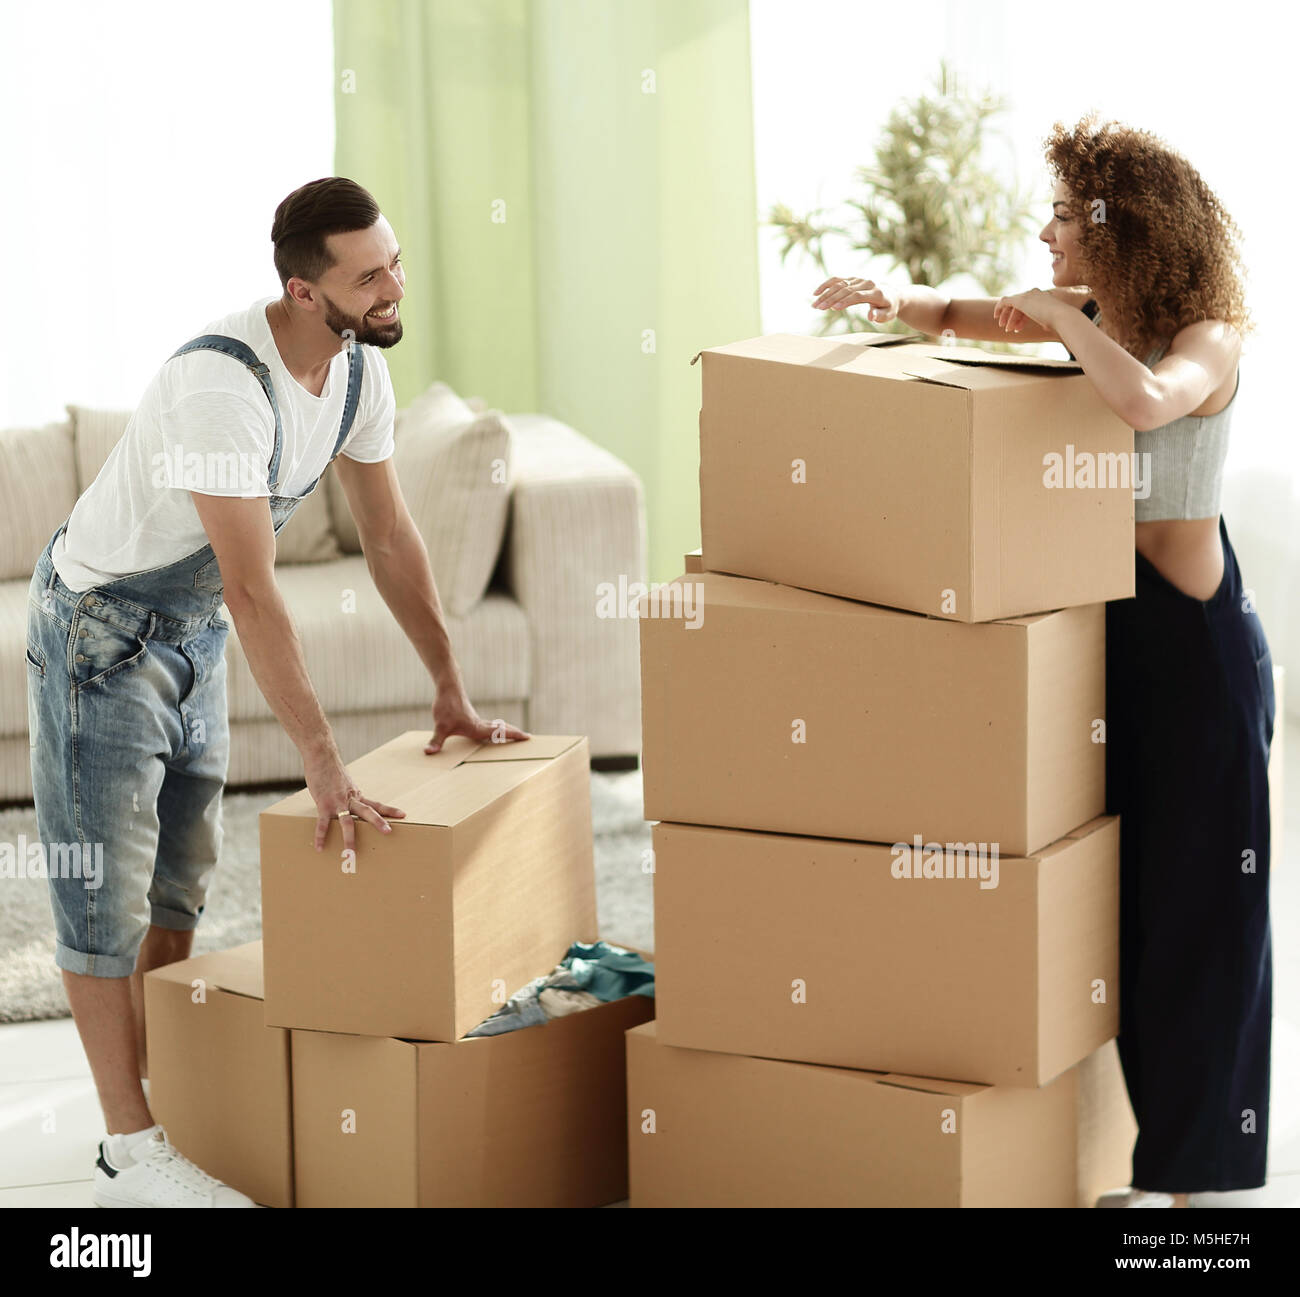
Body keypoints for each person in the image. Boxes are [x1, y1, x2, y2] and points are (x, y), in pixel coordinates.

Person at [25, 176, 528, 1207]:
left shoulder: (353, 375)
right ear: (303, 291)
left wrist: (448, 688)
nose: (393, 288)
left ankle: (160, 1088)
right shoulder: (223, 386)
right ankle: (129, 1147)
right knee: (101, 901)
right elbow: (255, 591)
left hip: (193, 624)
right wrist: (325, 764)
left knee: (180, 880)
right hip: (100, 633)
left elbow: (389, 536)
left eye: (393, 263)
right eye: (368, 276)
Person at [810, 114, 1271, 1209]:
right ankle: (1150, 1168)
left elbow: (1146, 401)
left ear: (1124, 228)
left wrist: (1067, 319)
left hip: (1192, 652)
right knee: (1122, 914)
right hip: (1105, 642)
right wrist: (896, 299)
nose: (1046, 230)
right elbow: (965, 313)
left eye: (1065, 217)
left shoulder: (1206, 335)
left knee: (1200, 920)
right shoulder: (1098, 316)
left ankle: (1195, 1201)